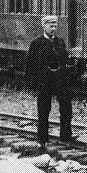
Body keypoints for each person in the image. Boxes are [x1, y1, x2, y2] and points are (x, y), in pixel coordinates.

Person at [27, 15, 73, 150]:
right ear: (44, 26)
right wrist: (32, 83)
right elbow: (30, 64)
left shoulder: (60, 41)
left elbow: (64, 59)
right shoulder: (36, 43)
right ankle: (42, 138)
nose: (53, 29)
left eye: (55, 26)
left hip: (59, 80)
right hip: (44, 81)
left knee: (66, 107)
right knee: (43, 110)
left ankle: (65, 135)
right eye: (51, 26)